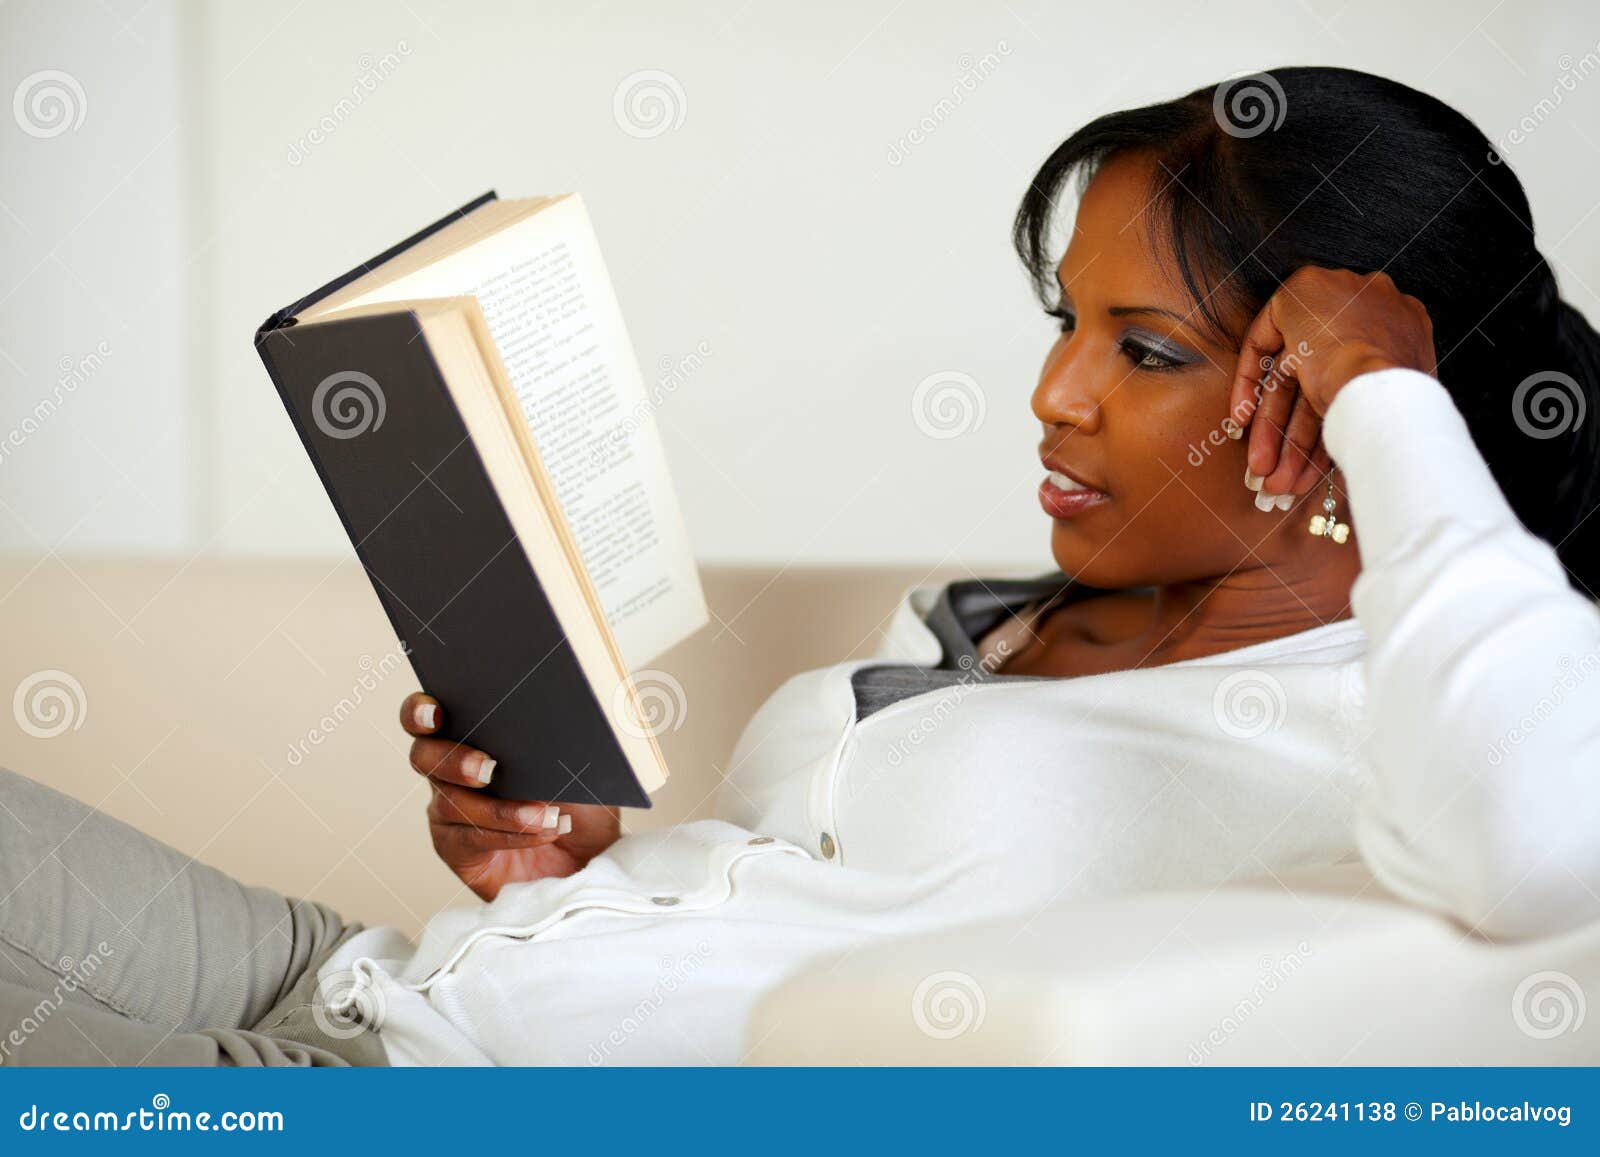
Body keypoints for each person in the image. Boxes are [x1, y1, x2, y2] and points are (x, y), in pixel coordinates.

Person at [3, 66, 1598, 1067]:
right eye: (1066, 324)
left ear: (1322, 391)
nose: (1056, 393)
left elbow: (1542, 841)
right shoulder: (1004, 616)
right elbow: (782, 916)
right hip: (359, 971)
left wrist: (1393, 402)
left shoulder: (1392, 710)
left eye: (1149, 348)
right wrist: (565, 872)